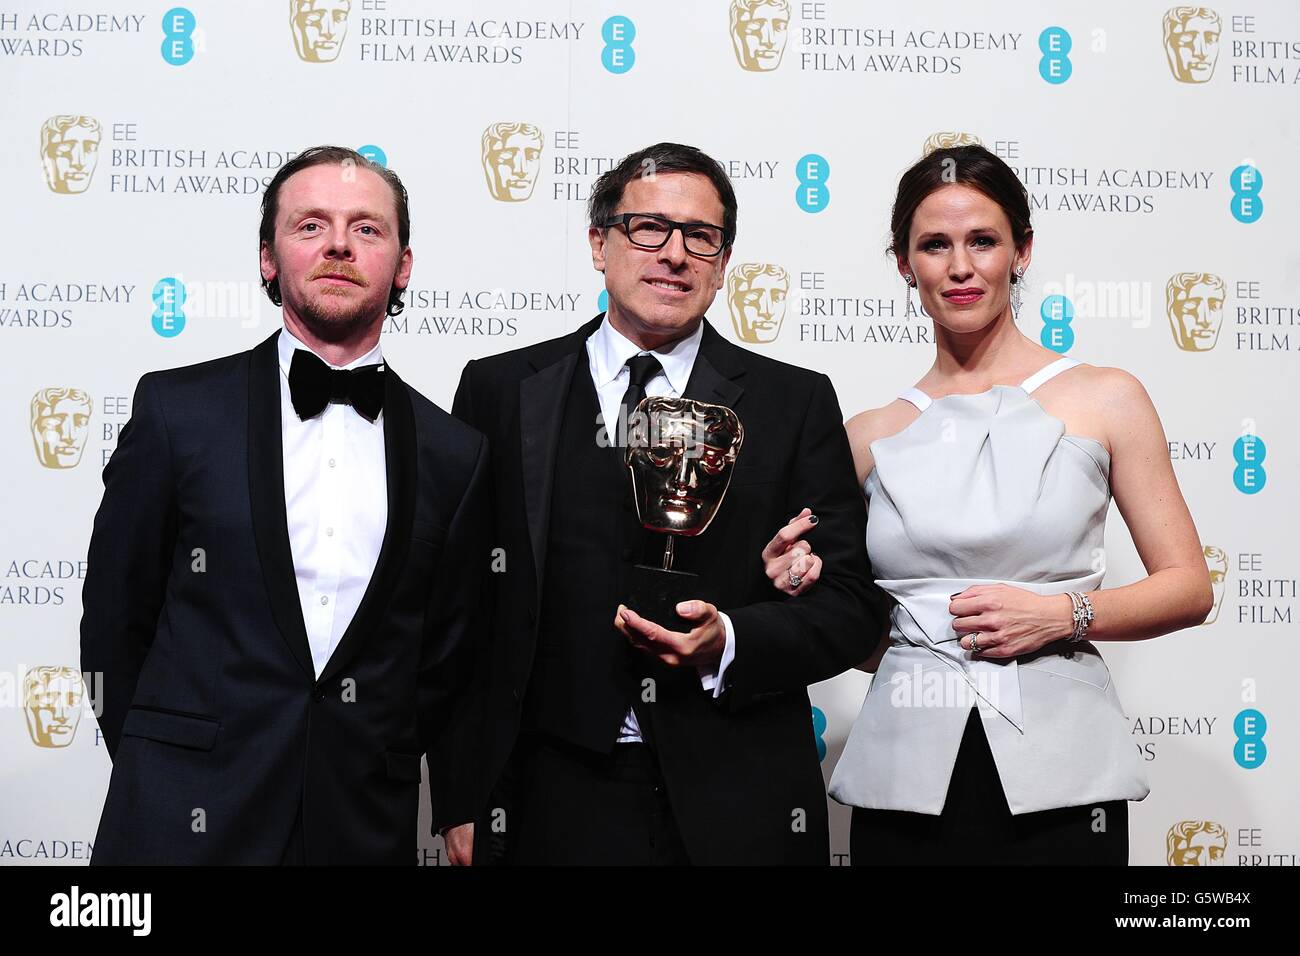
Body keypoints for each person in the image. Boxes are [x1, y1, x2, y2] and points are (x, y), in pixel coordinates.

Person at [446, 142, 893, 865]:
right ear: (600, 244)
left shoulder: (793, 402)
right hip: (546, 795)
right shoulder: (499, 390)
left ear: (722, 262)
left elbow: (852, 608)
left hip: (739, 797)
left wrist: (736, 640)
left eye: (701, 237)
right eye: (648, 227)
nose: (674, 253)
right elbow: (458, 608)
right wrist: (463, 792)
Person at [765, 145, 1213, 865]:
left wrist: (1062, 615)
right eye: (934, 245)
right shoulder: (866, 434)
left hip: (1063, 774)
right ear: (905, 265)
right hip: (903, 776)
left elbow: (1189, 588)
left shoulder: (1107, 397)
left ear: (1022, 251)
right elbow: (849, 623)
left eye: (984, 240)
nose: (961, 266)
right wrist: (799, 586)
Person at [81, 146, 491, 865]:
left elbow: (446, 664)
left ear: (403, 267)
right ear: (268, 258)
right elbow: (116, 621)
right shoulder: (177, 413)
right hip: (179, 822)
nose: (338, 243)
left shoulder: (455, 454)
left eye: (367, 228)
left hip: (358, 828)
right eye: (310, 226)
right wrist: (165, 761)